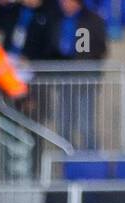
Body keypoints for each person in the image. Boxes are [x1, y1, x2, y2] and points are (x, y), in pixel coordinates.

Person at [52, 0, 108, 151]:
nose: (63, 3)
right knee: (64, 124)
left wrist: (82, 61)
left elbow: (100, 47)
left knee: (85, 124)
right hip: (63, 78)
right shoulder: (56, 18)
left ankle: (90, 163)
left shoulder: (92, 19)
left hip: (85, 79)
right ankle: (65, 161)